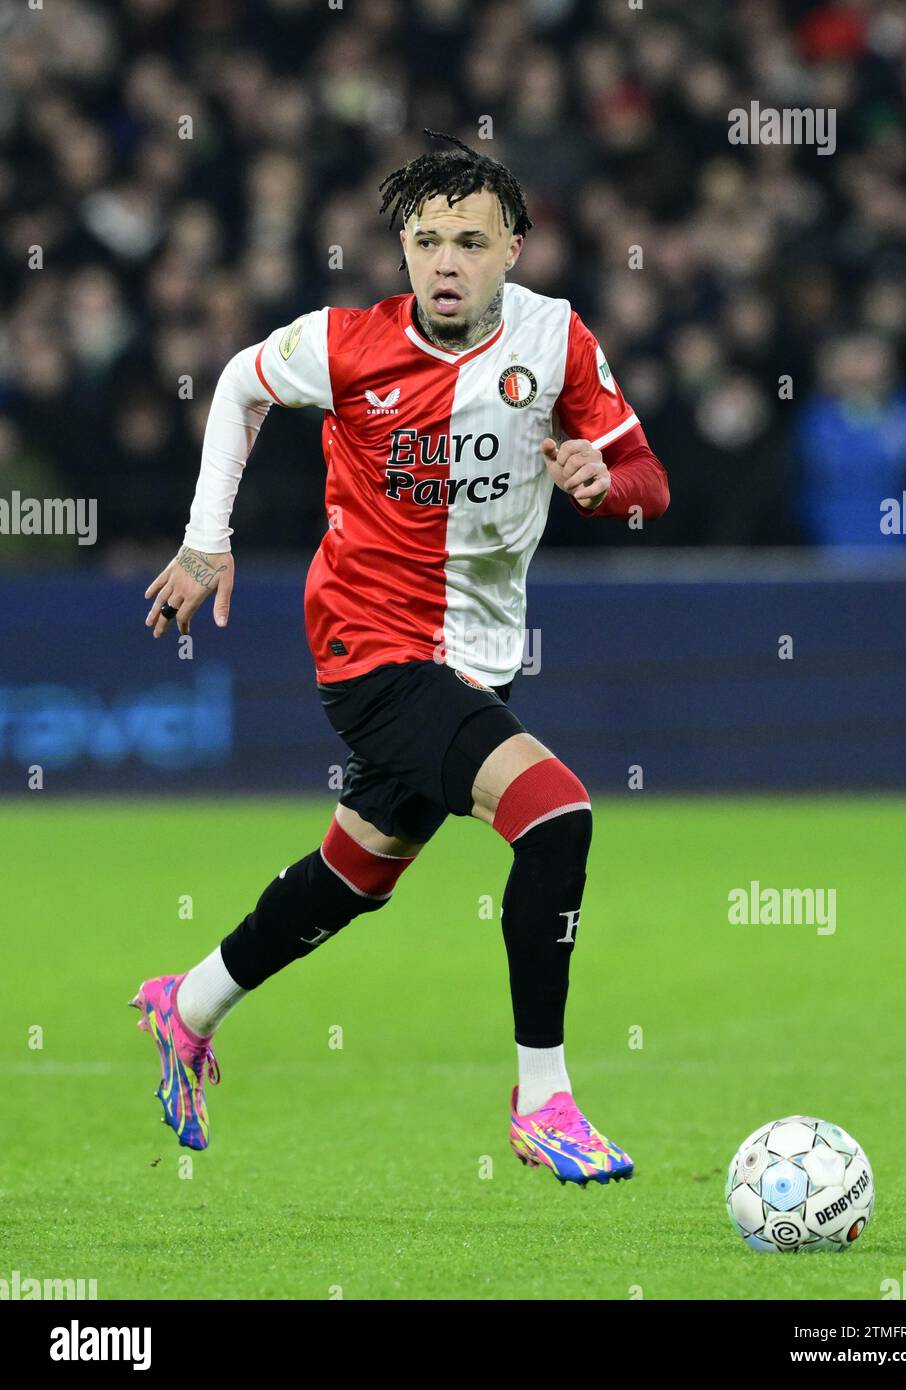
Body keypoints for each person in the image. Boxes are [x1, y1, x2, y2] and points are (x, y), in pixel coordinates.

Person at [132, 131, 669, 1187]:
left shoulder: (556, 344)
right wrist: (208, 538)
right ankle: (544, 1096)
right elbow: (239, 383)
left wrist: (606, 487)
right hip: (368, 646)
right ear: (404, 248)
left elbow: (647, 477)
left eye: (471, 240)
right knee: (556, 815)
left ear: (515, 245)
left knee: (358, 873)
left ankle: (186, 1004)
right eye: (427, 241)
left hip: (481, 656)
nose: (446, 263)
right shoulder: (346, 345)